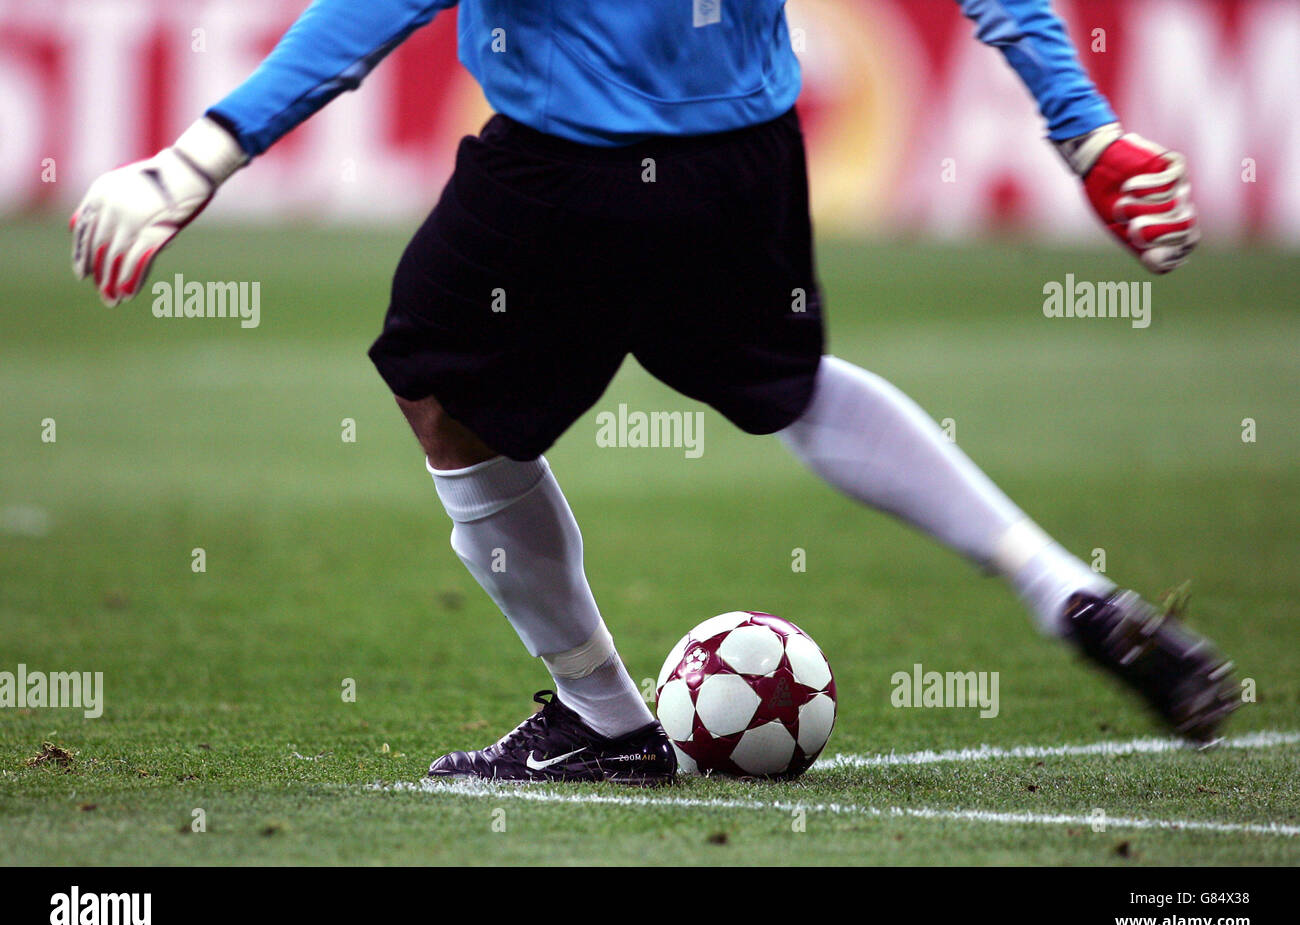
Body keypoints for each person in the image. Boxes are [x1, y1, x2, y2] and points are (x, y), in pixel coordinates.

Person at [69, 0, 1232, 785]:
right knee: (789, 383)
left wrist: (198, 157)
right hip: (744, 162)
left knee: (440, 391)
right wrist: (1083, 128)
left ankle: (602, 716)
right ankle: (1061, 584)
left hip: (563, 168)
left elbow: (372, 14)